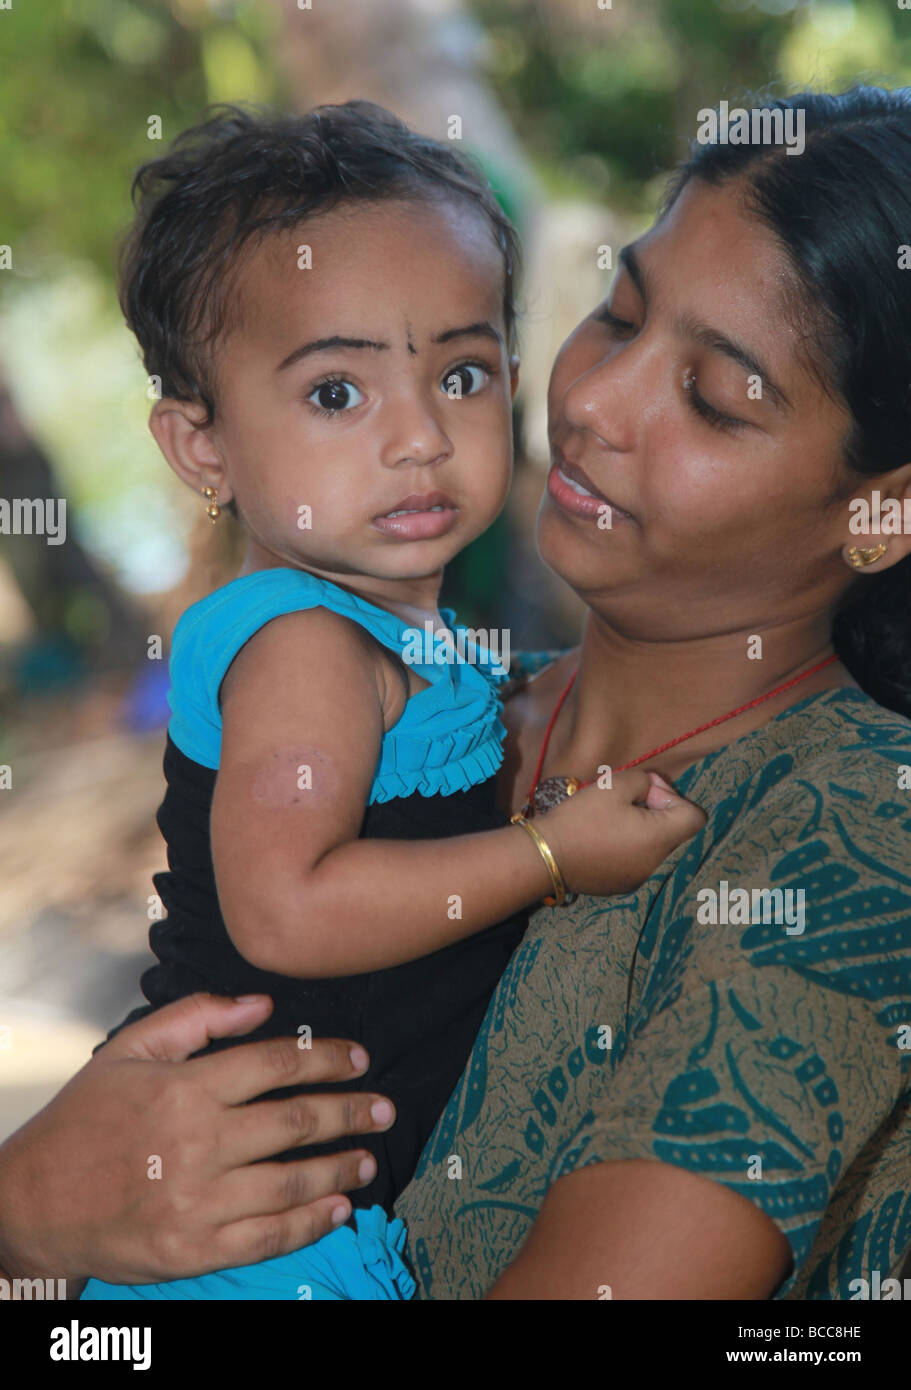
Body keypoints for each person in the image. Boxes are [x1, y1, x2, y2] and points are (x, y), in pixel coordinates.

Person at [2, 83, 909, 1302]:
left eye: (711, 398)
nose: (589, 402)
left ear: (879, 509)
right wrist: (30, 1214)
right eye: (618, 311)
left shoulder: (854, 829)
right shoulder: (438, 710)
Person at [75, 102, 701, 1301]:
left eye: (459, 373)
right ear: (201, 449)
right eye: (334, 395)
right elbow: (289, 910)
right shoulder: (306, 645)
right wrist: (549, 855)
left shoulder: (390, 629)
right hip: (258, 1224)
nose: (418, 436)